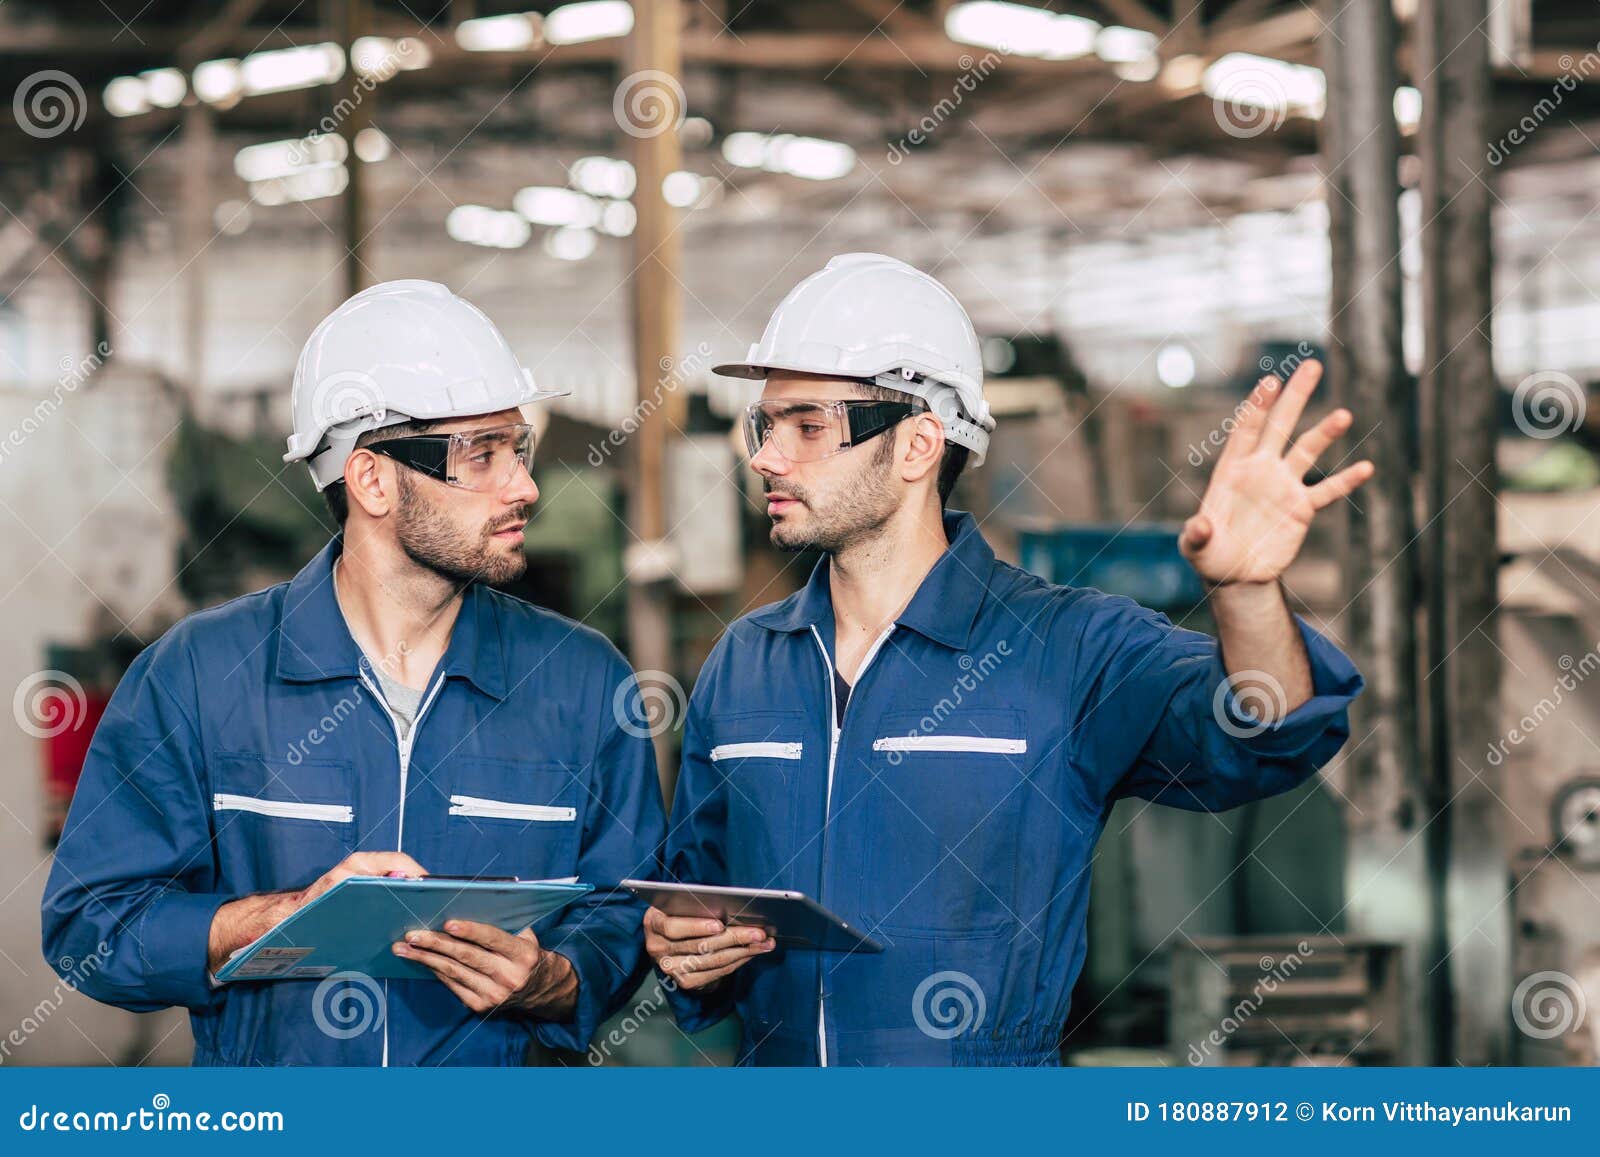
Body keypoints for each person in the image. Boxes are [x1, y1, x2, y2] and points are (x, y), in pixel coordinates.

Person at [646, 253, 1369, 1066]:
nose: (767, 457)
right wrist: (682, 946)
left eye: (807, 426)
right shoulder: (746, 661)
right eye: (765, 424)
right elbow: (694, 896)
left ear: (918, 443)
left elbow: (1268, 736)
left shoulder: (1066, 648)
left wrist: (1244, 592)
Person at [42, 280, 665, 1066]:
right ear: (372, 479)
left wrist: (558, 978)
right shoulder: (200, 676)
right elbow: (89, 924)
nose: (526, 487)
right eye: (482, 453)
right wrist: (283, 917)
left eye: (521, 448)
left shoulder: (581, 685)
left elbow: (625, 912)